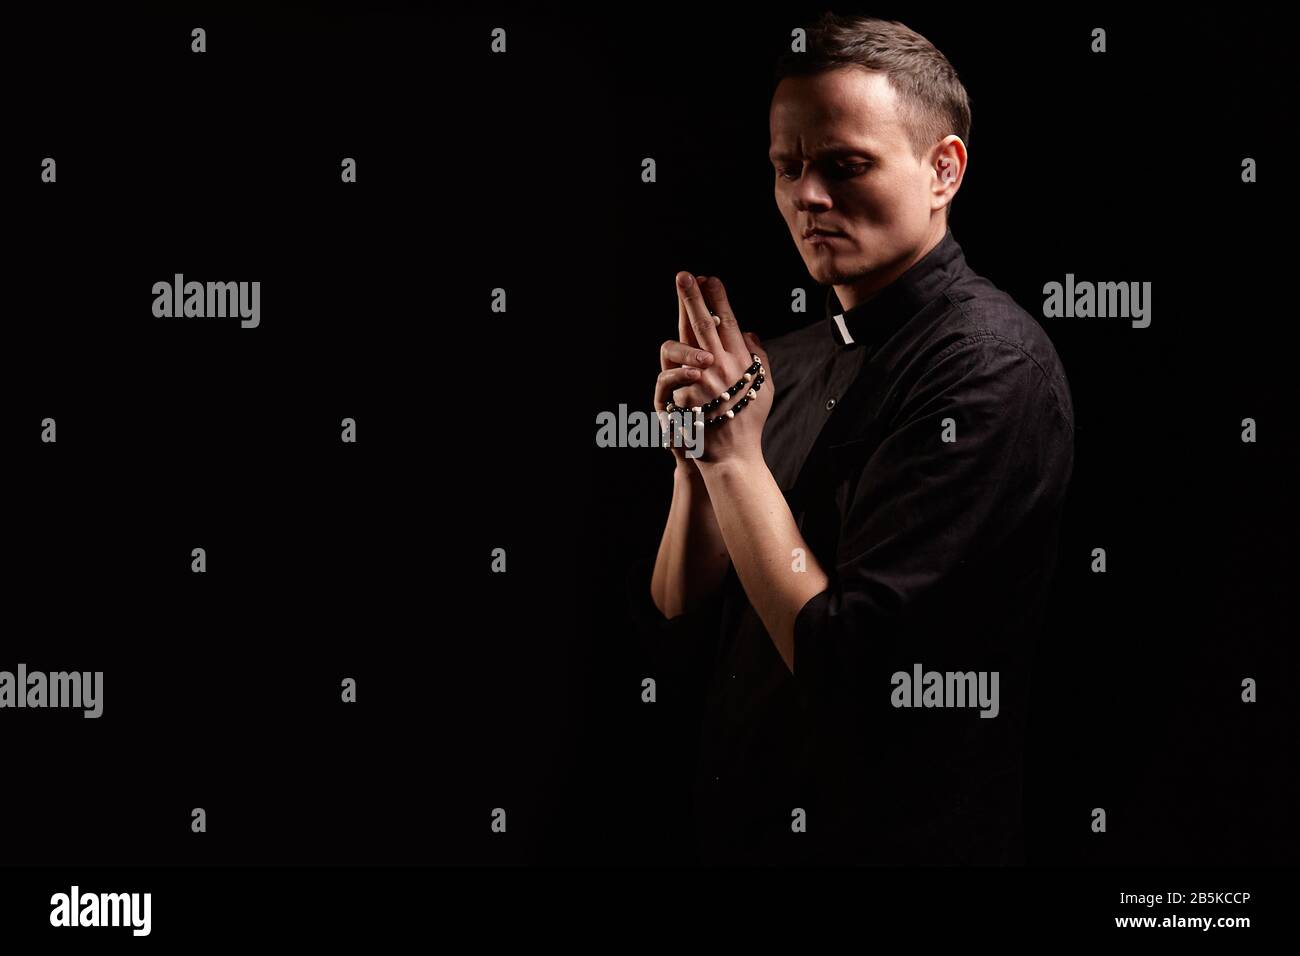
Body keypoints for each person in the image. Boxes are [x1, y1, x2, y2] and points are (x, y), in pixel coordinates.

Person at [628, 13, 1075, 865]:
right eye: (787, 168)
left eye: (844, 165)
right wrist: (698, 462)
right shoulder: (785, 362)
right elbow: (680, 609)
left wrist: (735, 454)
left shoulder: (988, 370)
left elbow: (847, 665)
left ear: (943, 171)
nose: (807, 197)